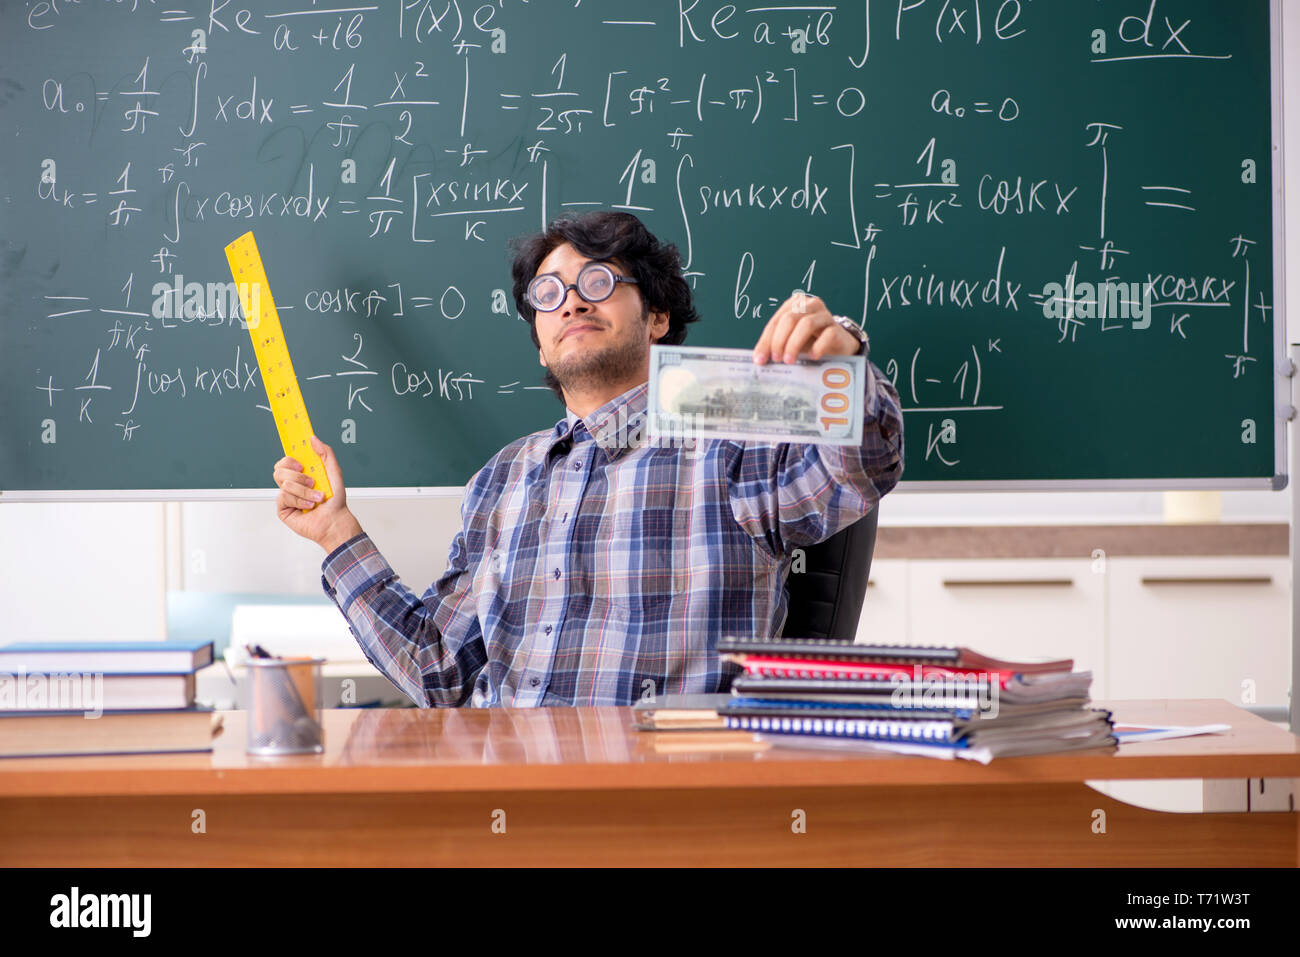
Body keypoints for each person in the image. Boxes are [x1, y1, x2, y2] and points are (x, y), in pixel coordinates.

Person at [272, 211, 904, 707]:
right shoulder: (500, 480)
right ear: (541, 346)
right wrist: (334, 532)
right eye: (548, 294)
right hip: (504, 796)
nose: (571, 302)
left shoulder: (731, 447)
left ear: (657, 317)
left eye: (598, 282)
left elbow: (866, 463)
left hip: (654, 801)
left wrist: (842, 369)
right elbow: (439, 674)